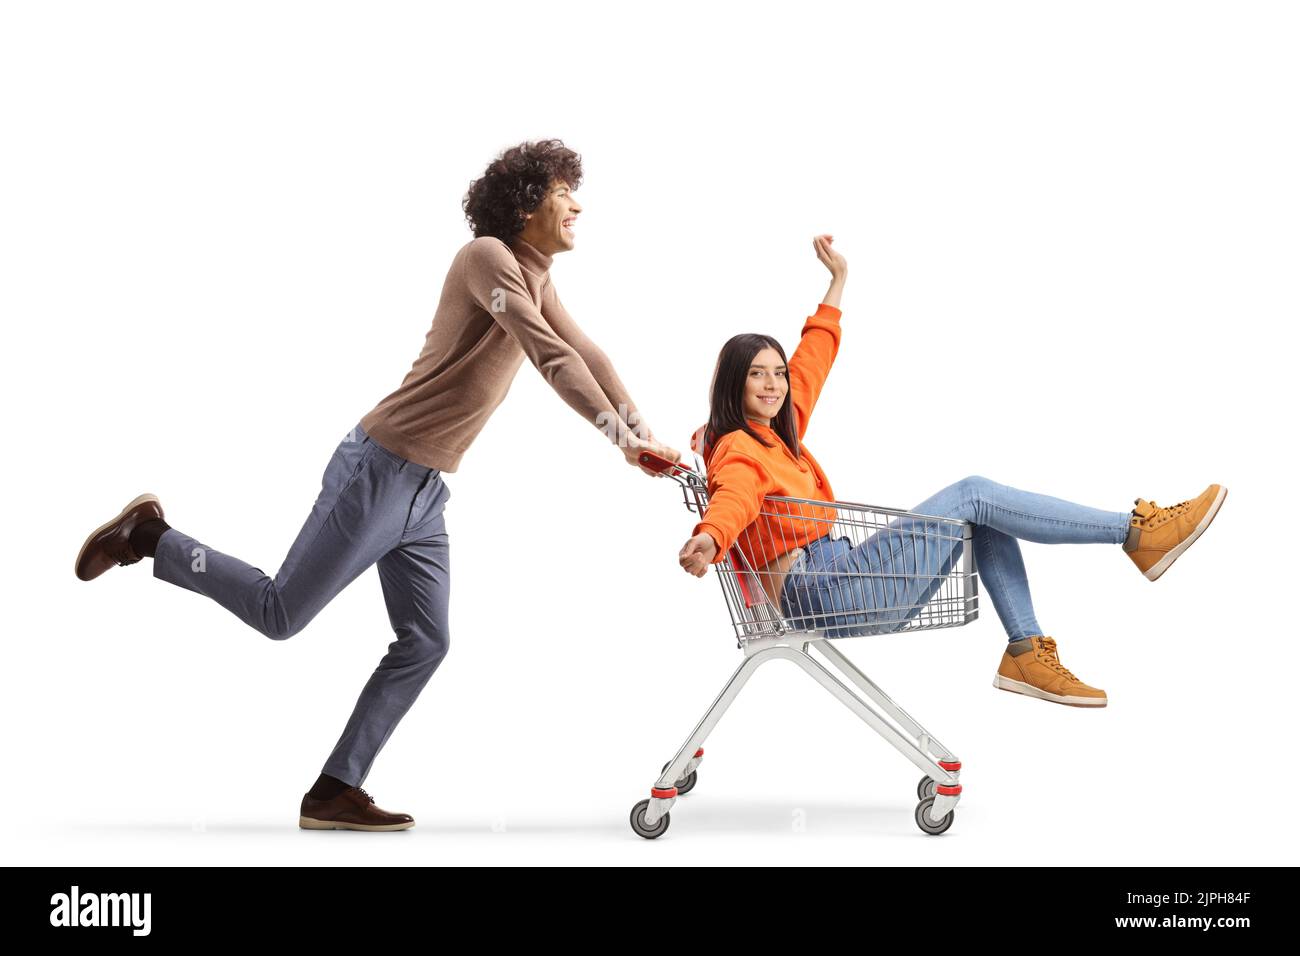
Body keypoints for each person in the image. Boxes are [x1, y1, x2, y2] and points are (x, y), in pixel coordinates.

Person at [75, 139, 681, 830]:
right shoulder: (486, 257)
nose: (577, 203)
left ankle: (335, 789)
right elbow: (549, 354)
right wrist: (621, 441)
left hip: (425, 494)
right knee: (281, 615)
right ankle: (151, 537)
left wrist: (641, 434)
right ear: (523, 204)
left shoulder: (538, 277)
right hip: (380, 470)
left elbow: (586, 350)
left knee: (426, 640)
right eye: (563, 190)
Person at [677, 234, 1226, 708]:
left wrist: (837, 282)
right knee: (974, 493)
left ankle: (1026, 653)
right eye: (757, 376)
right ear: (734, 383)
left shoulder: (778, 430)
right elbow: (736, 497)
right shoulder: (739, 449)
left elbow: (812, 360)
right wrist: (710, 537)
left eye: (776, 375)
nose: (773, 385)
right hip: (820, 588)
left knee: (983, 517)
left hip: (841, 574)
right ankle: (1137, 534)